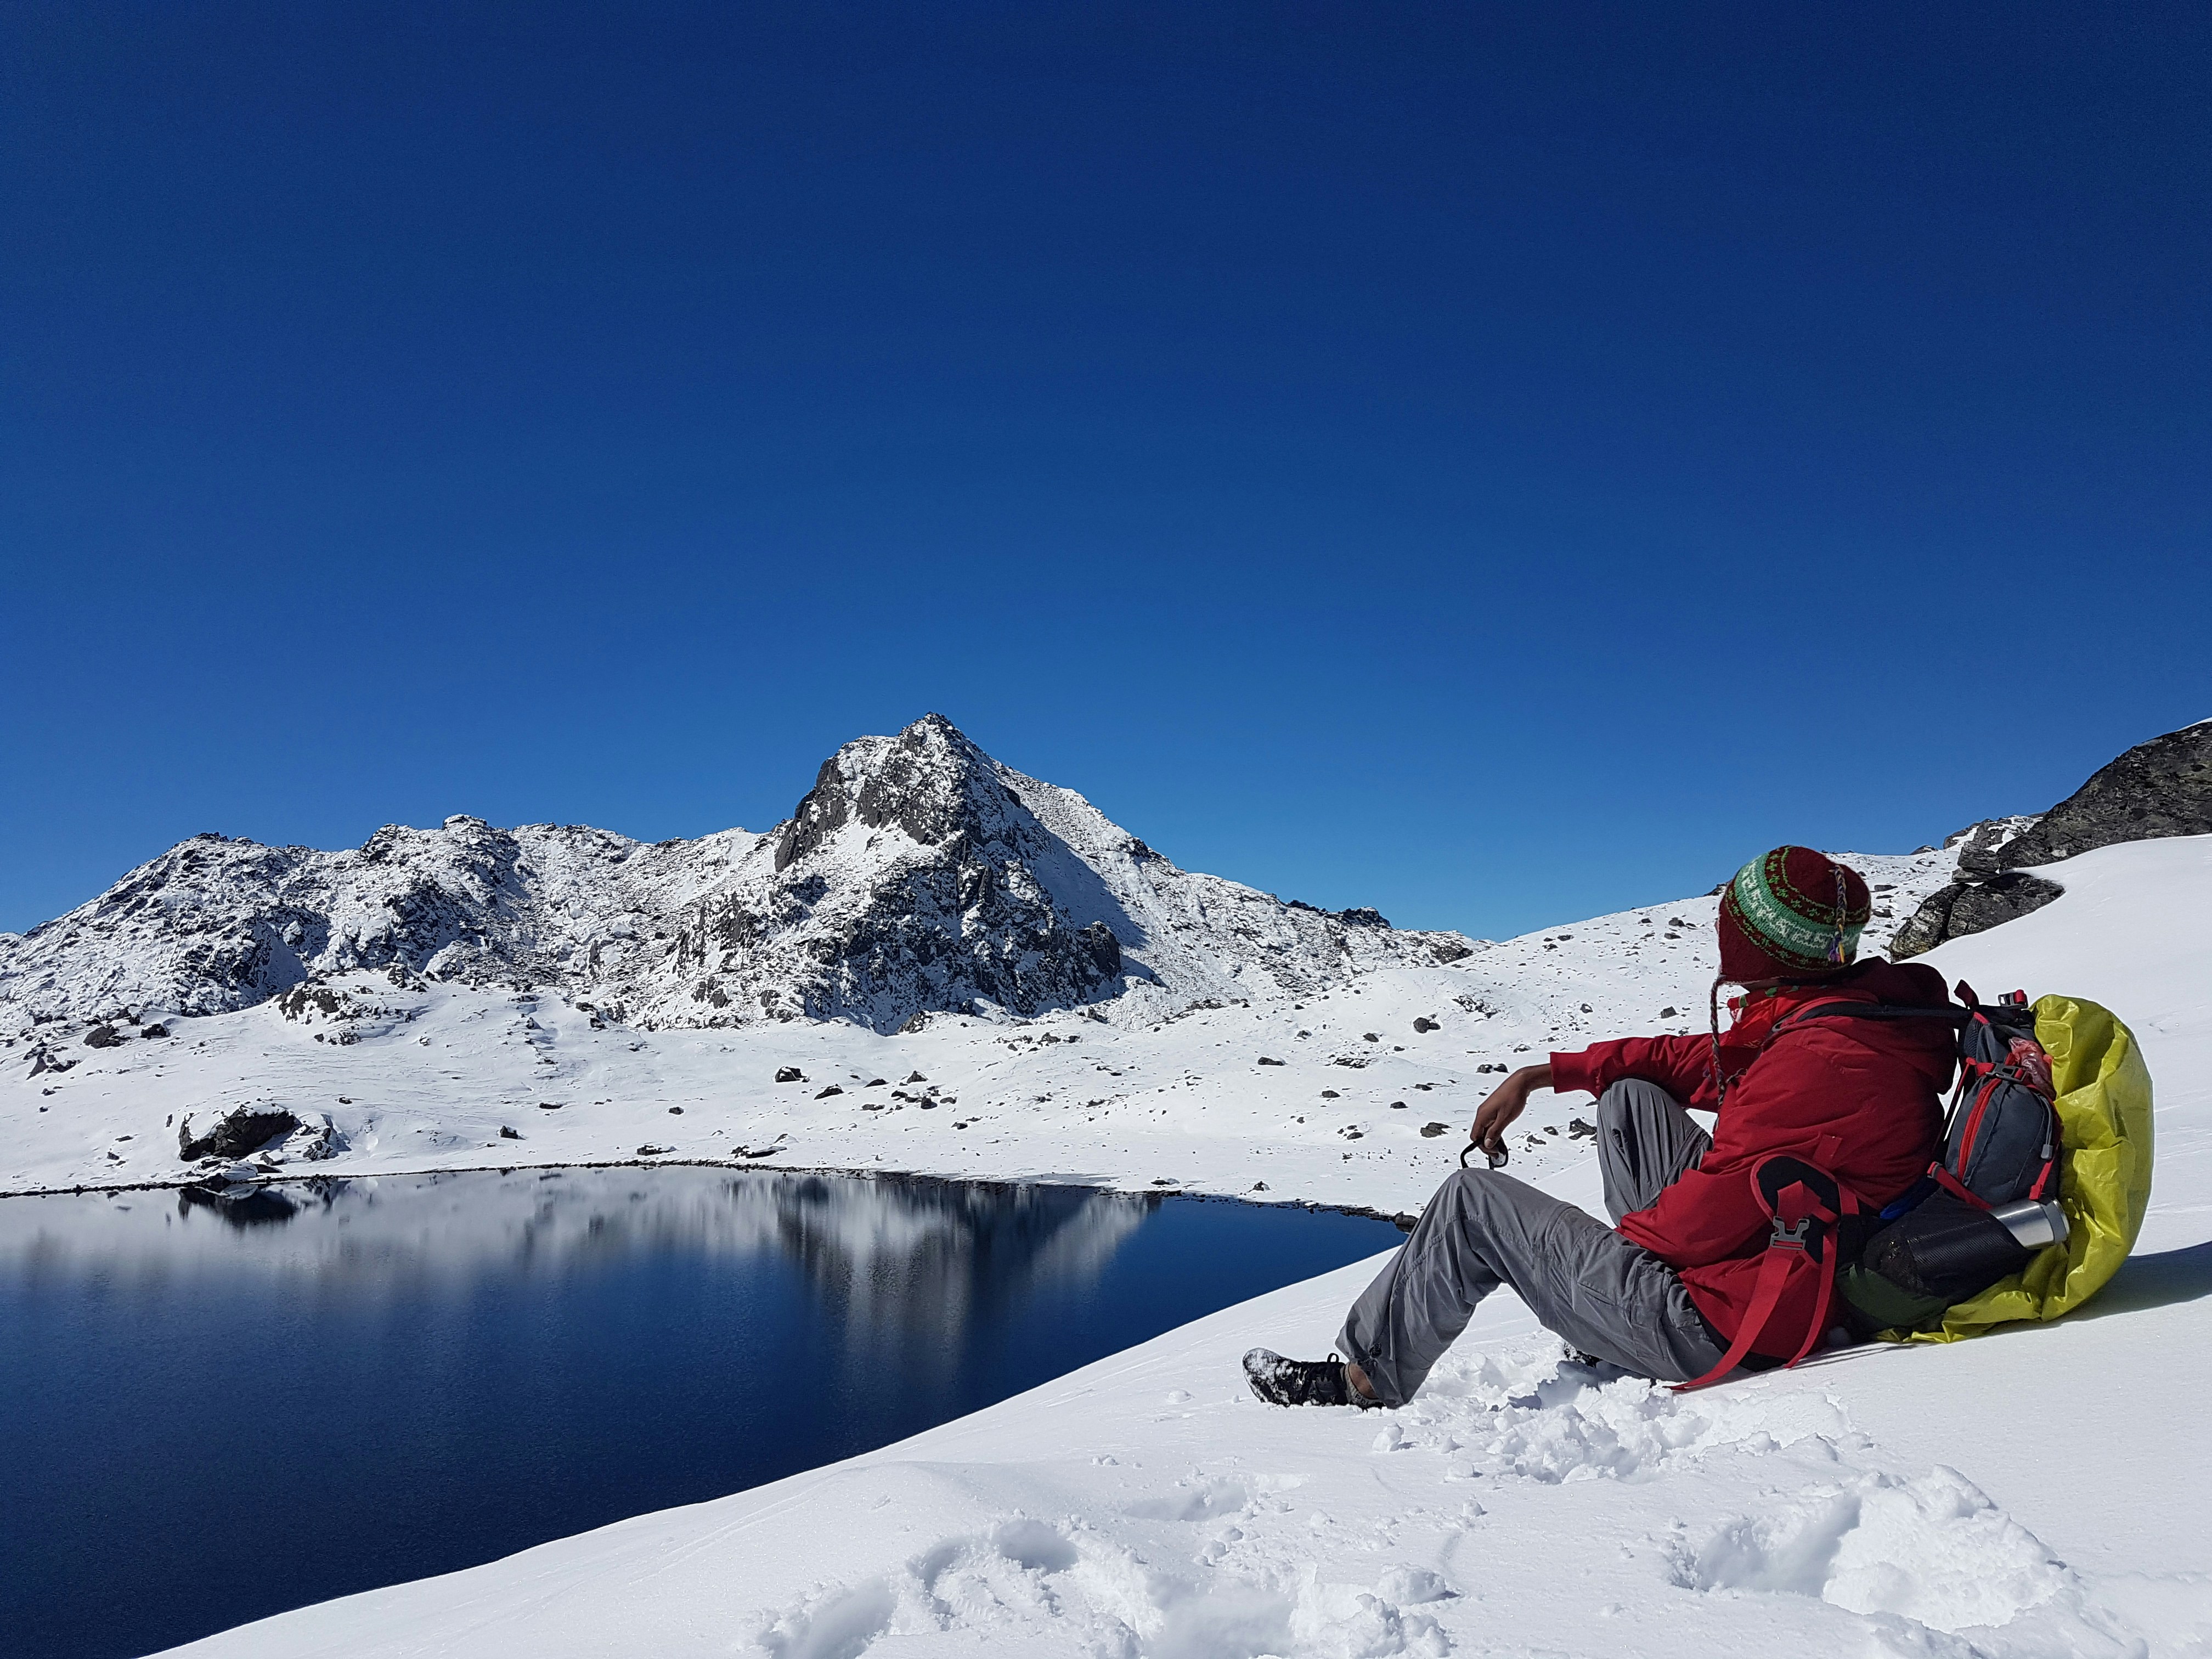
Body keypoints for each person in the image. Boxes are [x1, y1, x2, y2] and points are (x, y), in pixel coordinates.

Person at [1244, 845, 1957, 1408]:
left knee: (1473, 1204)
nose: (1721, 928)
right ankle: (1609, 1316)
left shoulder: (1815, 1064)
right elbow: (1689, 1062)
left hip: (1732, 1320)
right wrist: (1546, 1074)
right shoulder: (1843, 1017)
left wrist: (1576, 1269)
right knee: (1632, 1095)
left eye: (1732, 922)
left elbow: (1695, 1224)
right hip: (1780, 1262)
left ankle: (1367, 1381)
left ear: (1760, 946)